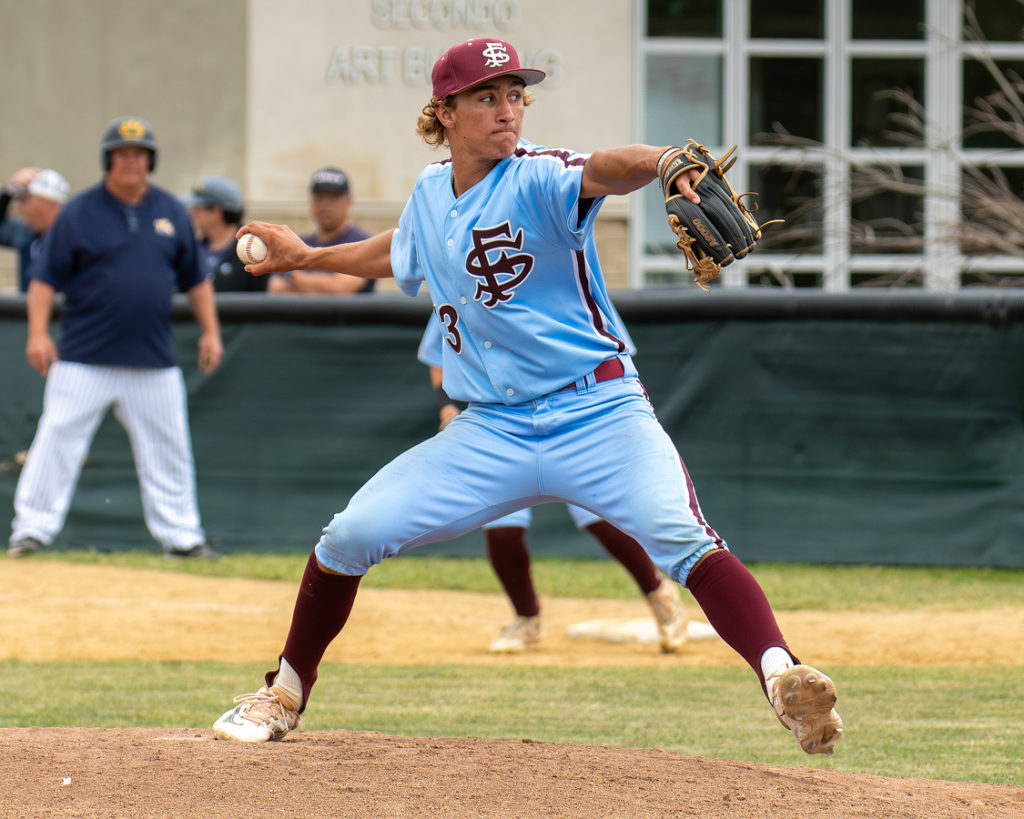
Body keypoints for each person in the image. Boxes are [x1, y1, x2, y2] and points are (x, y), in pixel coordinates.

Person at [213, 38, 842, 755]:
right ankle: (284, 692)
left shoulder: (538, 176)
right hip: (495, 429)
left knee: (684, 537)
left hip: (599, 412)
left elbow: (607, 167)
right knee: (348, 535)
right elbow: (399, 249)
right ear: (444, 112)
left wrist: (665, 159)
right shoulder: (429, 192)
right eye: (487, 96)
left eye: (514, 94)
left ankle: (782, 676)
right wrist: (309, 257)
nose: (506, 109)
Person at [6, 116, 224, 560]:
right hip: (84, 355)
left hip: (152, 358)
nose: (131, 162)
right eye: (122, 154)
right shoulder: (79, 211)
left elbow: (196, 280)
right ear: (108, 160)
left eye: (139, 154)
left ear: (150, 161)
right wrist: (36, 333)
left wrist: (212, 332)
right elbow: (45, 279)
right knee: (56, 441)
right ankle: (31, 531)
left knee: (170, 446)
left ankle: (182, 537)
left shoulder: (169, 211)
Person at [419, 315, 688, 654]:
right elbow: (438, 360)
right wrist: (447, 409)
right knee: (502, 527)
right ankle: (526, 618)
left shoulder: (561, 278)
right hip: (503, 421)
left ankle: (660, 596)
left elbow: (615, 353)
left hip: (574, 416)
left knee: (600, 518)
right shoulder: (460, 283)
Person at [266, 167, 375, 295]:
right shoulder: (301, 241)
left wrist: (292, 277)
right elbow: (275, 288)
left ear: (349, 201)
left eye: (333, 198)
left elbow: (338, 289)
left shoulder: (364, 242)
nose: (325, 205)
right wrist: (318, 286)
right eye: (319, 197)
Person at [185, 175, 267, 292]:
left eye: (197, 208)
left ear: (215, 211)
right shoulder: (193, 248)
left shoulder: (253, 250)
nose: (191, 212)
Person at [1, 167, 71, 292]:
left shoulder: (76, 236)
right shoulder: (25, 232)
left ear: (46, 202)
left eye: (24, 200)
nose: (19, 208)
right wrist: (6, 194)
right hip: (28, 310)